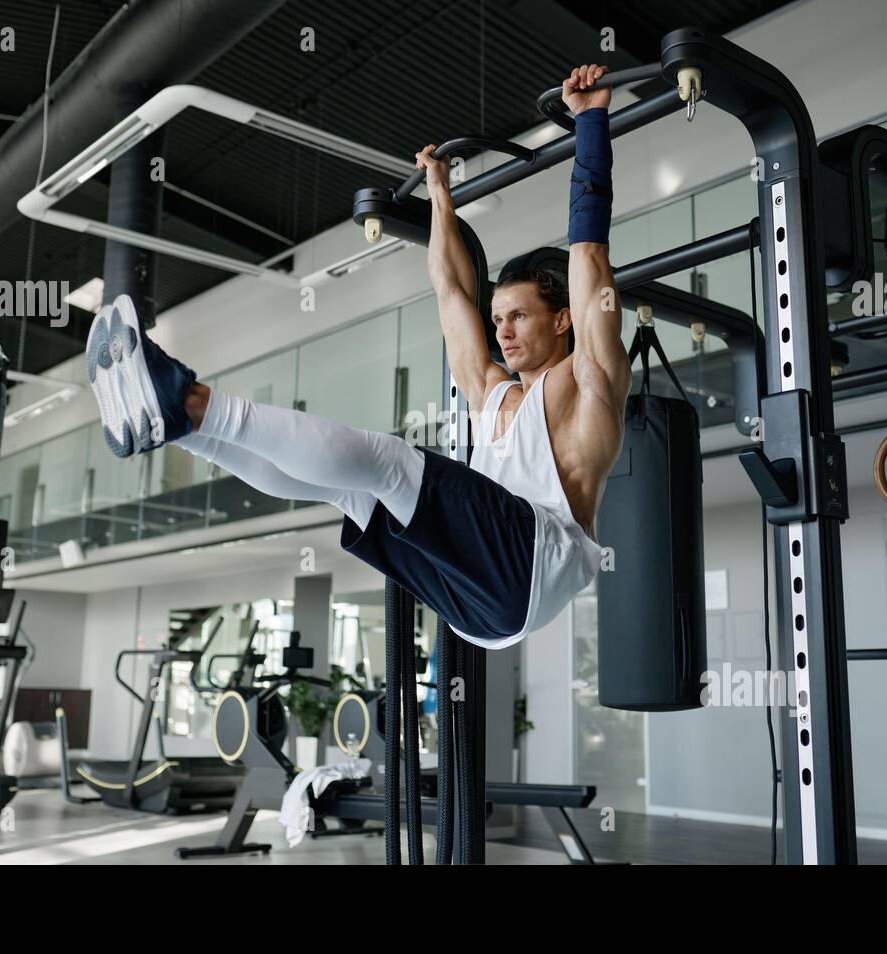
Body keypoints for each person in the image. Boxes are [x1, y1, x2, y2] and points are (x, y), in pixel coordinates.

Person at [85, 64, 630, 648]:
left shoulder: (589, 383)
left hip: (535, 568)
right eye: (497, 319)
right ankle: (183, 430)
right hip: (476, 611)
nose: (502, 331)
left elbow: (590, 255)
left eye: (518, 316)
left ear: (564, 317)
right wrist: (441, 197)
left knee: (391, 463)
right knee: (352, 489)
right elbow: (450, 289)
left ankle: (190, 404)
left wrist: (591, 123)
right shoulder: (490, 390)